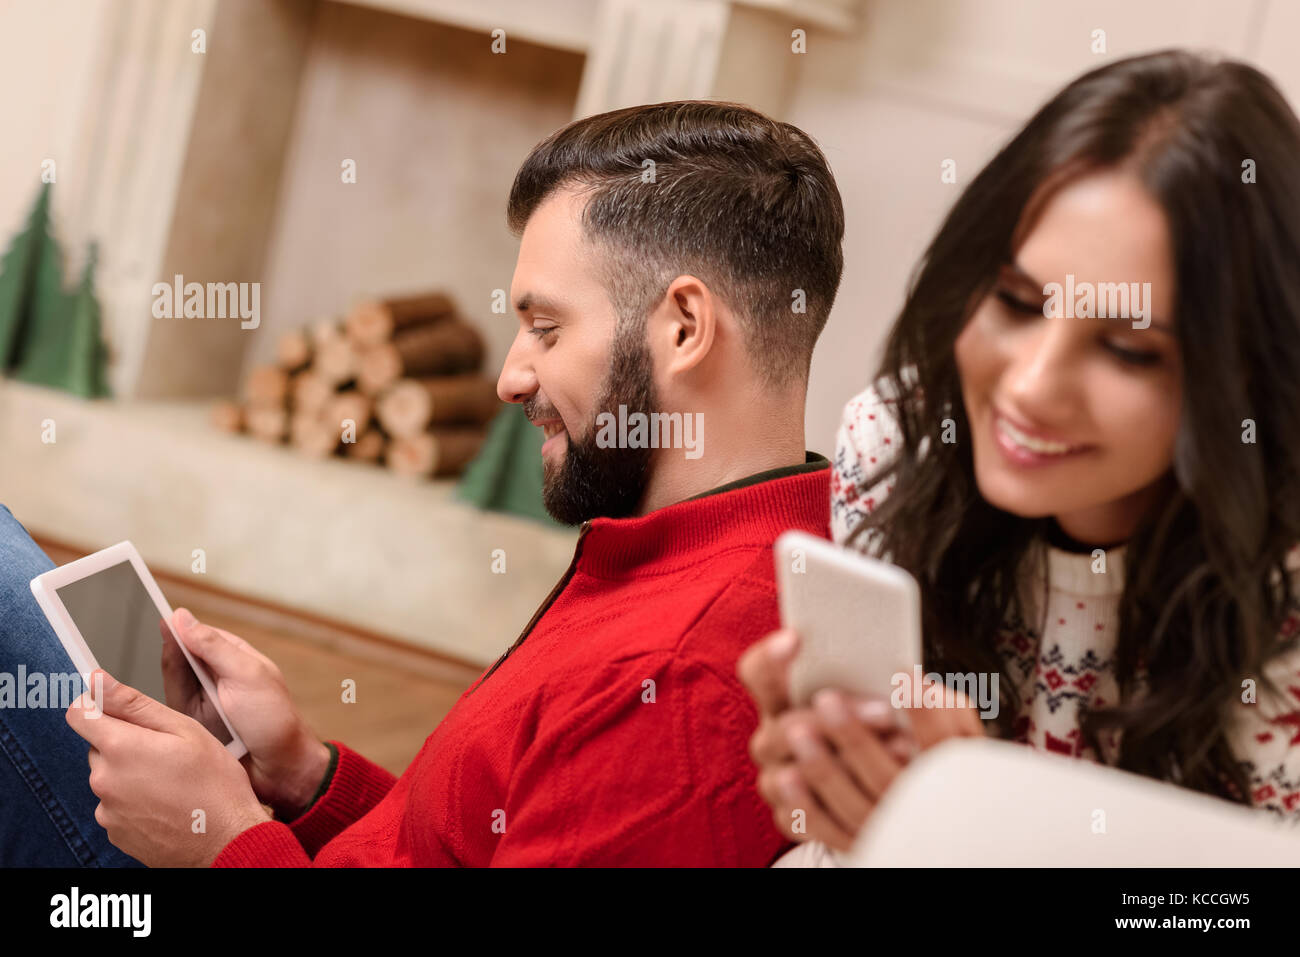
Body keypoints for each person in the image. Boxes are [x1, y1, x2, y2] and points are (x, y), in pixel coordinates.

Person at [0, 100, 846, 866]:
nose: (512, 377)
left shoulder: (676, 678)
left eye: (546, 328)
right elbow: (464, 835)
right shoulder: (724, 556)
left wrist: (223, 841)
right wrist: (306, 776)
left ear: (686, 327)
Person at [737, 50, 1300, 866]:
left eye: (1128, 349)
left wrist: (970, 831)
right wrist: (839, 802)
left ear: (1240, 377)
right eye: (1017, 302)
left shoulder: (1279, 592)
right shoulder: (900, 443)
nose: (1032, 388)